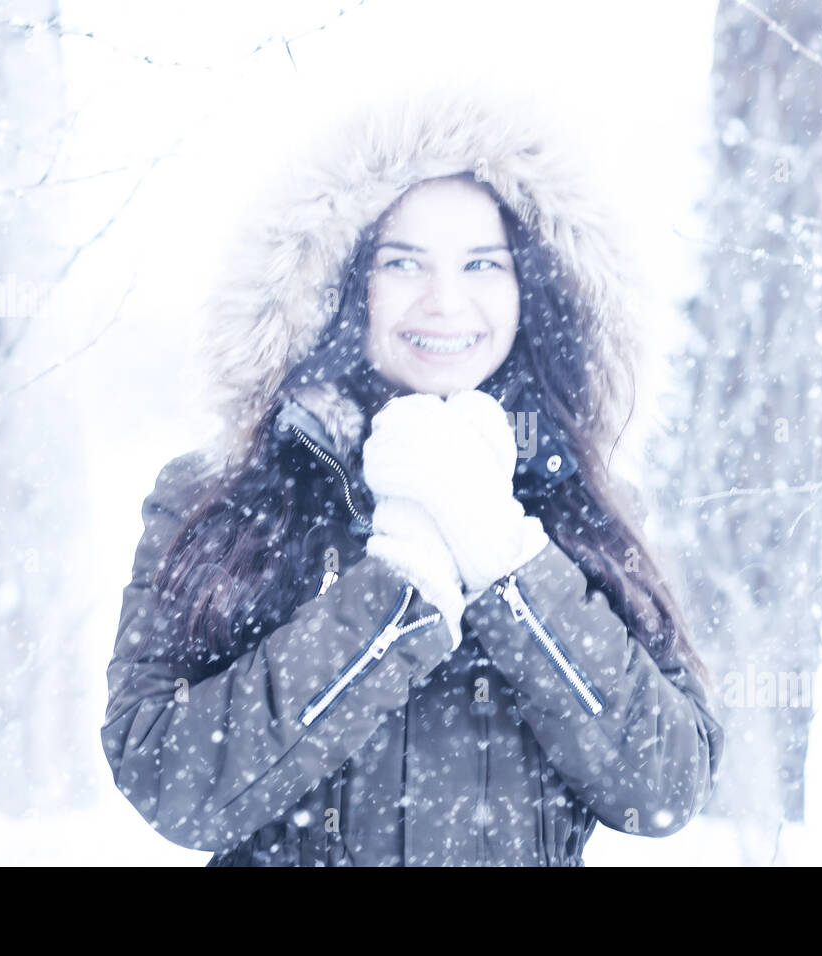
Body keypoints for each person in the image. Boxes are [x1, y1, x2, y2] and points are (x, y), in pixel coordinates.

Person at [100, 87, 725, 866]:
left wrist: (506, 559)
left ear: (530, 289)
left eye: (482, 264)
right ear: (342, 281)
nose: (445, 302)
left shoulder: (582, 501)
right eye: (403, 262)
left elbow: (666, 783)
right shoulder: (226, 493)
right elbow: (167, 777)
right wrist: (392, 601)